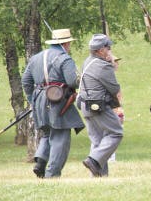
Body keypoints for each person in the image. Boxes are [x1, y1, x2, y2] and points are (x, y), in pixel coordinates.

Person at [22, 28, 84, 178]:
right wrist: (81, 78)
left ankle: (41, 163)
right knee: (60, 138)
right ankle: (52, 174)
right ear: (66, 43)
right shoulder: (65, 59)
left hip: (39, 101)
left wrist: (32, 100)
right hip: (58, 101)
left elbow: (26, 81)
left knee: (47, 133)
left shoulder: (35, 58)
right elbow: (73, 81)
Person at [79, 34, 124, 177]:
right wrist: (112, 65)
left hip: (86, 105)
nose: (110, 50)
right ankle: (93, 160)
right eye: (108, 47)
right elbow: (114, 88)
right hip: (99, 106)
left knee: (97, 141)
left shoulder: (87, 62)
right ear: (100, 50)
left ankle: (99, 176)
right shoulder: (103, 66)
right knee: (116, 133)